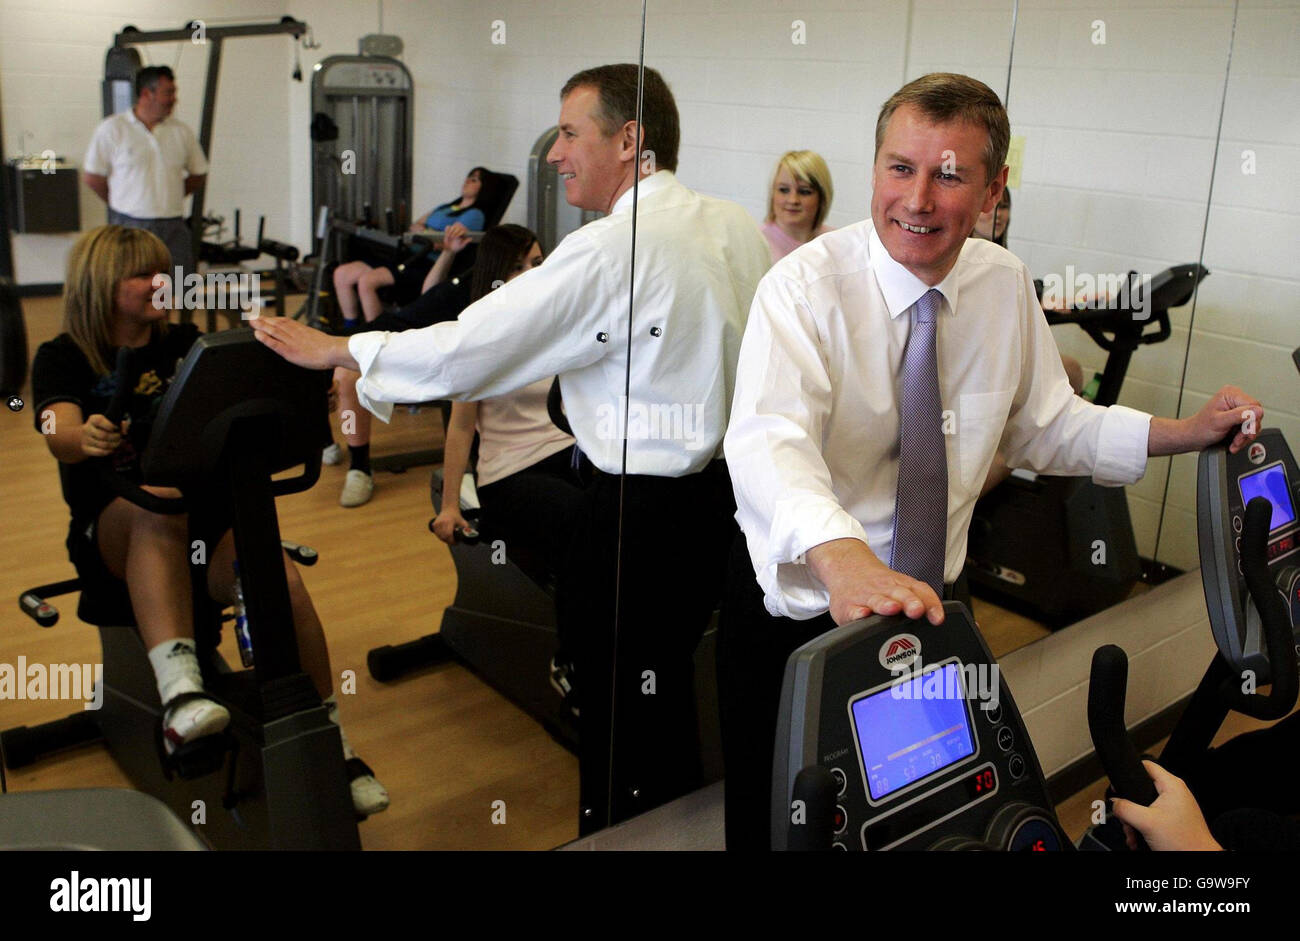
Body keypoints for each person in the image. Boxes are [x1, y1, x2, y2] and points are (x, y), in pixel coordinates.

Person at [719, 72, 1263, 850]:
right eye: (900, 168)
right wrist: (843, 559)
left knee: (926, 815)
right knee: (788, 830)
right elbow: (770, 440)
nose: (917, 200)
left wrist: (1184, 430)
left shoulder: (1002, 284)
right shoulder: (802, 289)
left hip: (935, 602)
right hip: (807, 604)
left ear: (992, 188)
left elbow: (1048, 424)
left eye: (949, 175)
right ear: (874, 166)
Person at [251, 63, 772, 834]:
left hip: (636, 516)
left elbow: (471, 346)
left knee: (620, 714)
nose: (555, 153)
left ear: (629, 140)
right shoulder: (732, 226)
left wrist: (338, 350)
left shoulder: (609, 249)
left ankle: (620, 835)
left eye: (569, 133)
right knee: (663, 694)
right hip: (723, 510)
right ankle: (671, 824)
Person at [31, 225, 388, 817]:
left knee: (280, 578)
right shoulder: (63, 357)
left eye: (164, 271)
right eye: (143, 274)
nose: (161, 283)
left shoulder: (187, 345)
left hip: (203, 522)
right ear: (101, 285)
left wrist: (302, 403)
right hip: (117, 527)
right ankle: (180, 699)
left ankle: (331, 740)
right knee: (156, 502)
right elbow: (53, 429)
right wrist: (80, 433)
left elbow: (241, 416)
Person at [430, 226, 583, 704]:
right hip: (510, 475)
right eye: (516, 265)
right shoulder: (476, 331)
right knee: (584, 524)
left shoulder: (554, 324)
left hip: (569, 455)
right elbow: (460, 429)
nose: (528, 274)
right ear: (495, 274)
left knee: (632, 507)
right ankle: (571, 660)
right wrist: (450, 505)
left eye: (536, 262)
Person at [325, 220, 478, 507]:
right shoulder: (465, 272)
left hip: (417, 345)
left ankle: (359, 468)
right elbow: (429, 293)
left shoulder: (497, 295)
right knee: (315, 356)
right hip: (396, 326)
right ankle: (324, 439)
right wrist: (447, 252)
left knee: (346, 371)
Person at [83, 66, 207, 293]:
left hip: (173, 225)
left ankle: (171, 328)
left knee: (178, 290)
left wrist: (171, 194)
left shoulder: (181, 132)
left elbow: (198, 174)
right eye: (168, 92)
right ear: (146, 94)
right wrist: (121, 201)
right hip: (130, 224)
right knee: (131, 290)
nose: (174, 99)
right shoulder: (113, 129)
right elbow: (92, 177)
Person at [332, 168, 493, 326]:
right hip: (408, 255)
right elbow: (414, 226)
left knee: (367, 281)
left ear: (483, 188)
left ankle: (372, 338)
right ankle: (350, 329)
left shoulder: (475, 214)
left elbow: (450, 242)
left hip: (426, 263)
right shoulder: (446, 207)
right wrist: (428, 233)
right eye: (468, 176)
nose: (467, 181)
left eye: (474, 179)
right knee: (341, 274)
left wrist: (425, 233)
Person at [760, 150, 834, 262]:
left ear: (822, 197)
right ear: (772, 194)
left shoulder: (833, 241)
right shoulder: (758, 243)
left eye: (804, 191)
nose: (793, 200)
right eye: (784, 190)